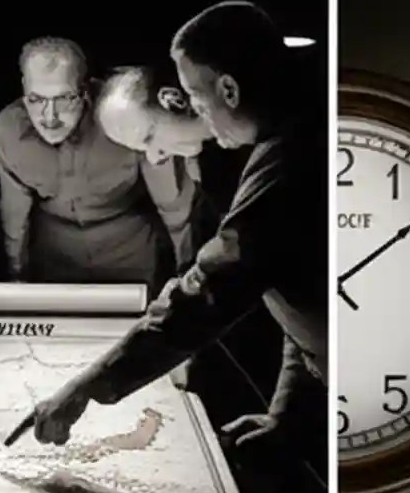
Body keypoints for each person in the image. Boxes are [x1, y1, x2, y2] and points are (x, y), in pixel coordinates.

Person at [24, 0, 327, 474]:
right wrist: (289, 416)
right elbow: (294, 285)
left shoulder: (295, 154)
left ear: (228, 89)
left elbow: (211, 289)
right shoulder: (284, 137)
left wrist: (87, 385)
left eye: (195, 98)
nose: (196, 113)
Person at [93, 65, 286, 427]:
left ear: (173, 100)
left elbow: (228, 269)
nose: (155, 157)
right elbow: (201, 255)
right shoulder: (207, 160)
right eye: (141, 149)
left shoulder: (267, 151)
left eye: (149, 137)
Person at [0, 37, 199, 291]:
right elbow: (14, 220)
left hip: (133, 264)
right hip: (54, 270)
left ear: (85, 88)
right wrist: (16, 282)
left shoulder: (126, 115)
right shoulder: (7, 131)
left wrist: (187, 277)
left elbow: (176, 209)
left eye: (64, 98)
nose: (49, 116)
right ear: (24, 87)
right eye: (36, 99)